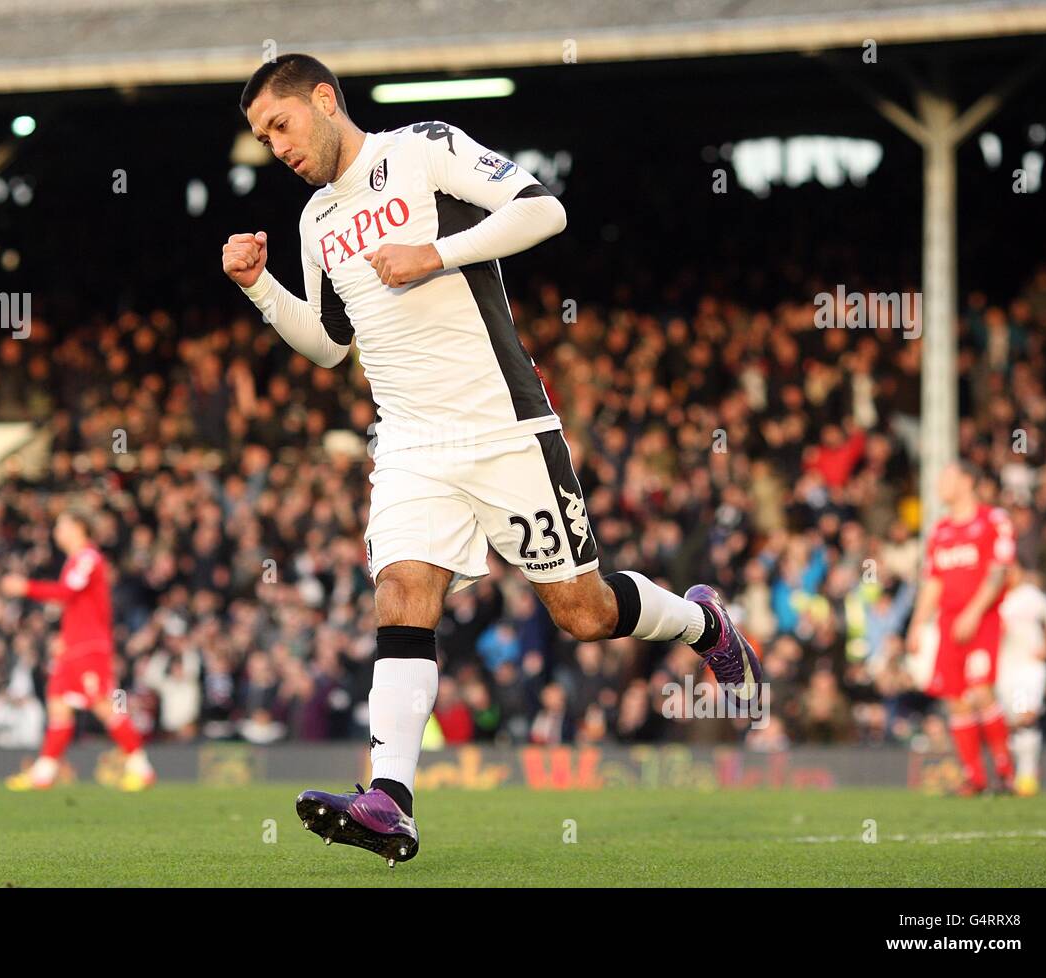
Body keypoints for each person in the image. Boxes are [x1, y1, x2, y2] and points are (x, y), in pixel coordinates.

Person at [222, 53, 763, 866]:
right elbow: (331, 346)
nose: (277, 146)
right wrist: (262, 288)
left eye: (281, 124)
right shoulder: (314, 223)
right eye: (263, 136)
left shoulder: (422, 150)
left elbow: (543, 210)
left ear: (325, 100)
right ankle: (390, 801)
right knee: (401, 592)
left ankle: (702, 620)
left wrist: (437, 254)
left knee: (581, 613)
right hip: (409, 443)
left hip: (505, 428)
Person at [1, 510, 155, 791]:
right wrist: (65, 636)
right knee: (58, 706)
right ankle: (43, 774)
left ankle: (141, 767)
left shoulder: (88, 558)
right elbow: (76, 606)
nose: (57, 532)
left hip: (90, 647)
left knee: (103, 705)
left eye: (61, 524)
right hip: (73, 646)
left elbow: (66, 593)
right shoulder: (74, 560)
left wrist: (26, 586)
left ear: (78, 527)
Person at [908, 462, 1016, 794]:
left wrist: (973, 612)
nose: (939, 484)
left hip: (982, 620)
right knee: (956, 699)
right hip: (948, 623)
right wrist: (916, 624)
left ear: (967, 481)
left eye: (946, 478)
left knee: (982, 691)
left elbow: (999, 571)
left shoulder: (992, 520)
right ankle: (974, 777)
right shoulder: (940, 531)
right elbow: (933, 582)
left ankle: (1005, 773)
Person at [996, 566, 1046, 795]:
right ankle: (1014, 775)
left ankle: (1026, 776)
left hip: (1028, 667)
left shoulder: (1031, 596)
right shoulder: (996, 596)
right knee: (1012, 721)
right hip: (1004, 668)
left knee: (1025, 714)